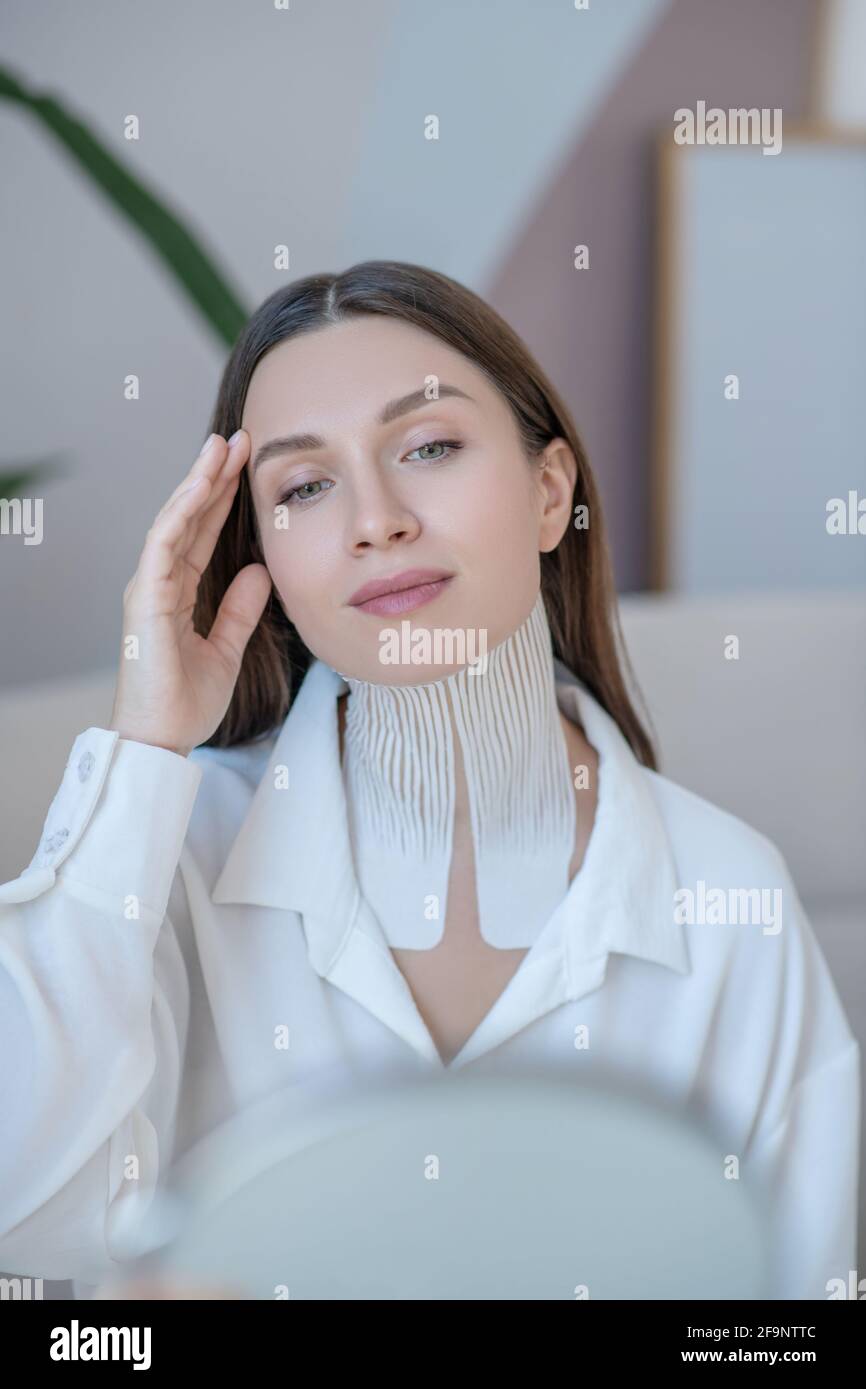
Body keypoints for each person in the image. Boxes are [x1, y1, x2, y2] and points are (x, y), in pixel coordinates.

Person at [0, 261, 859, 1300]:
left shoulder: (731, 898)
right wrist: (143, 748)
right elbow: (25, 1207)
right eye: (303, 486)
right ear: (259, 554)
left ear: (550, 494)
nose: (375, 519)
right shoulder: (168, 858)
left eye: (428, 446)